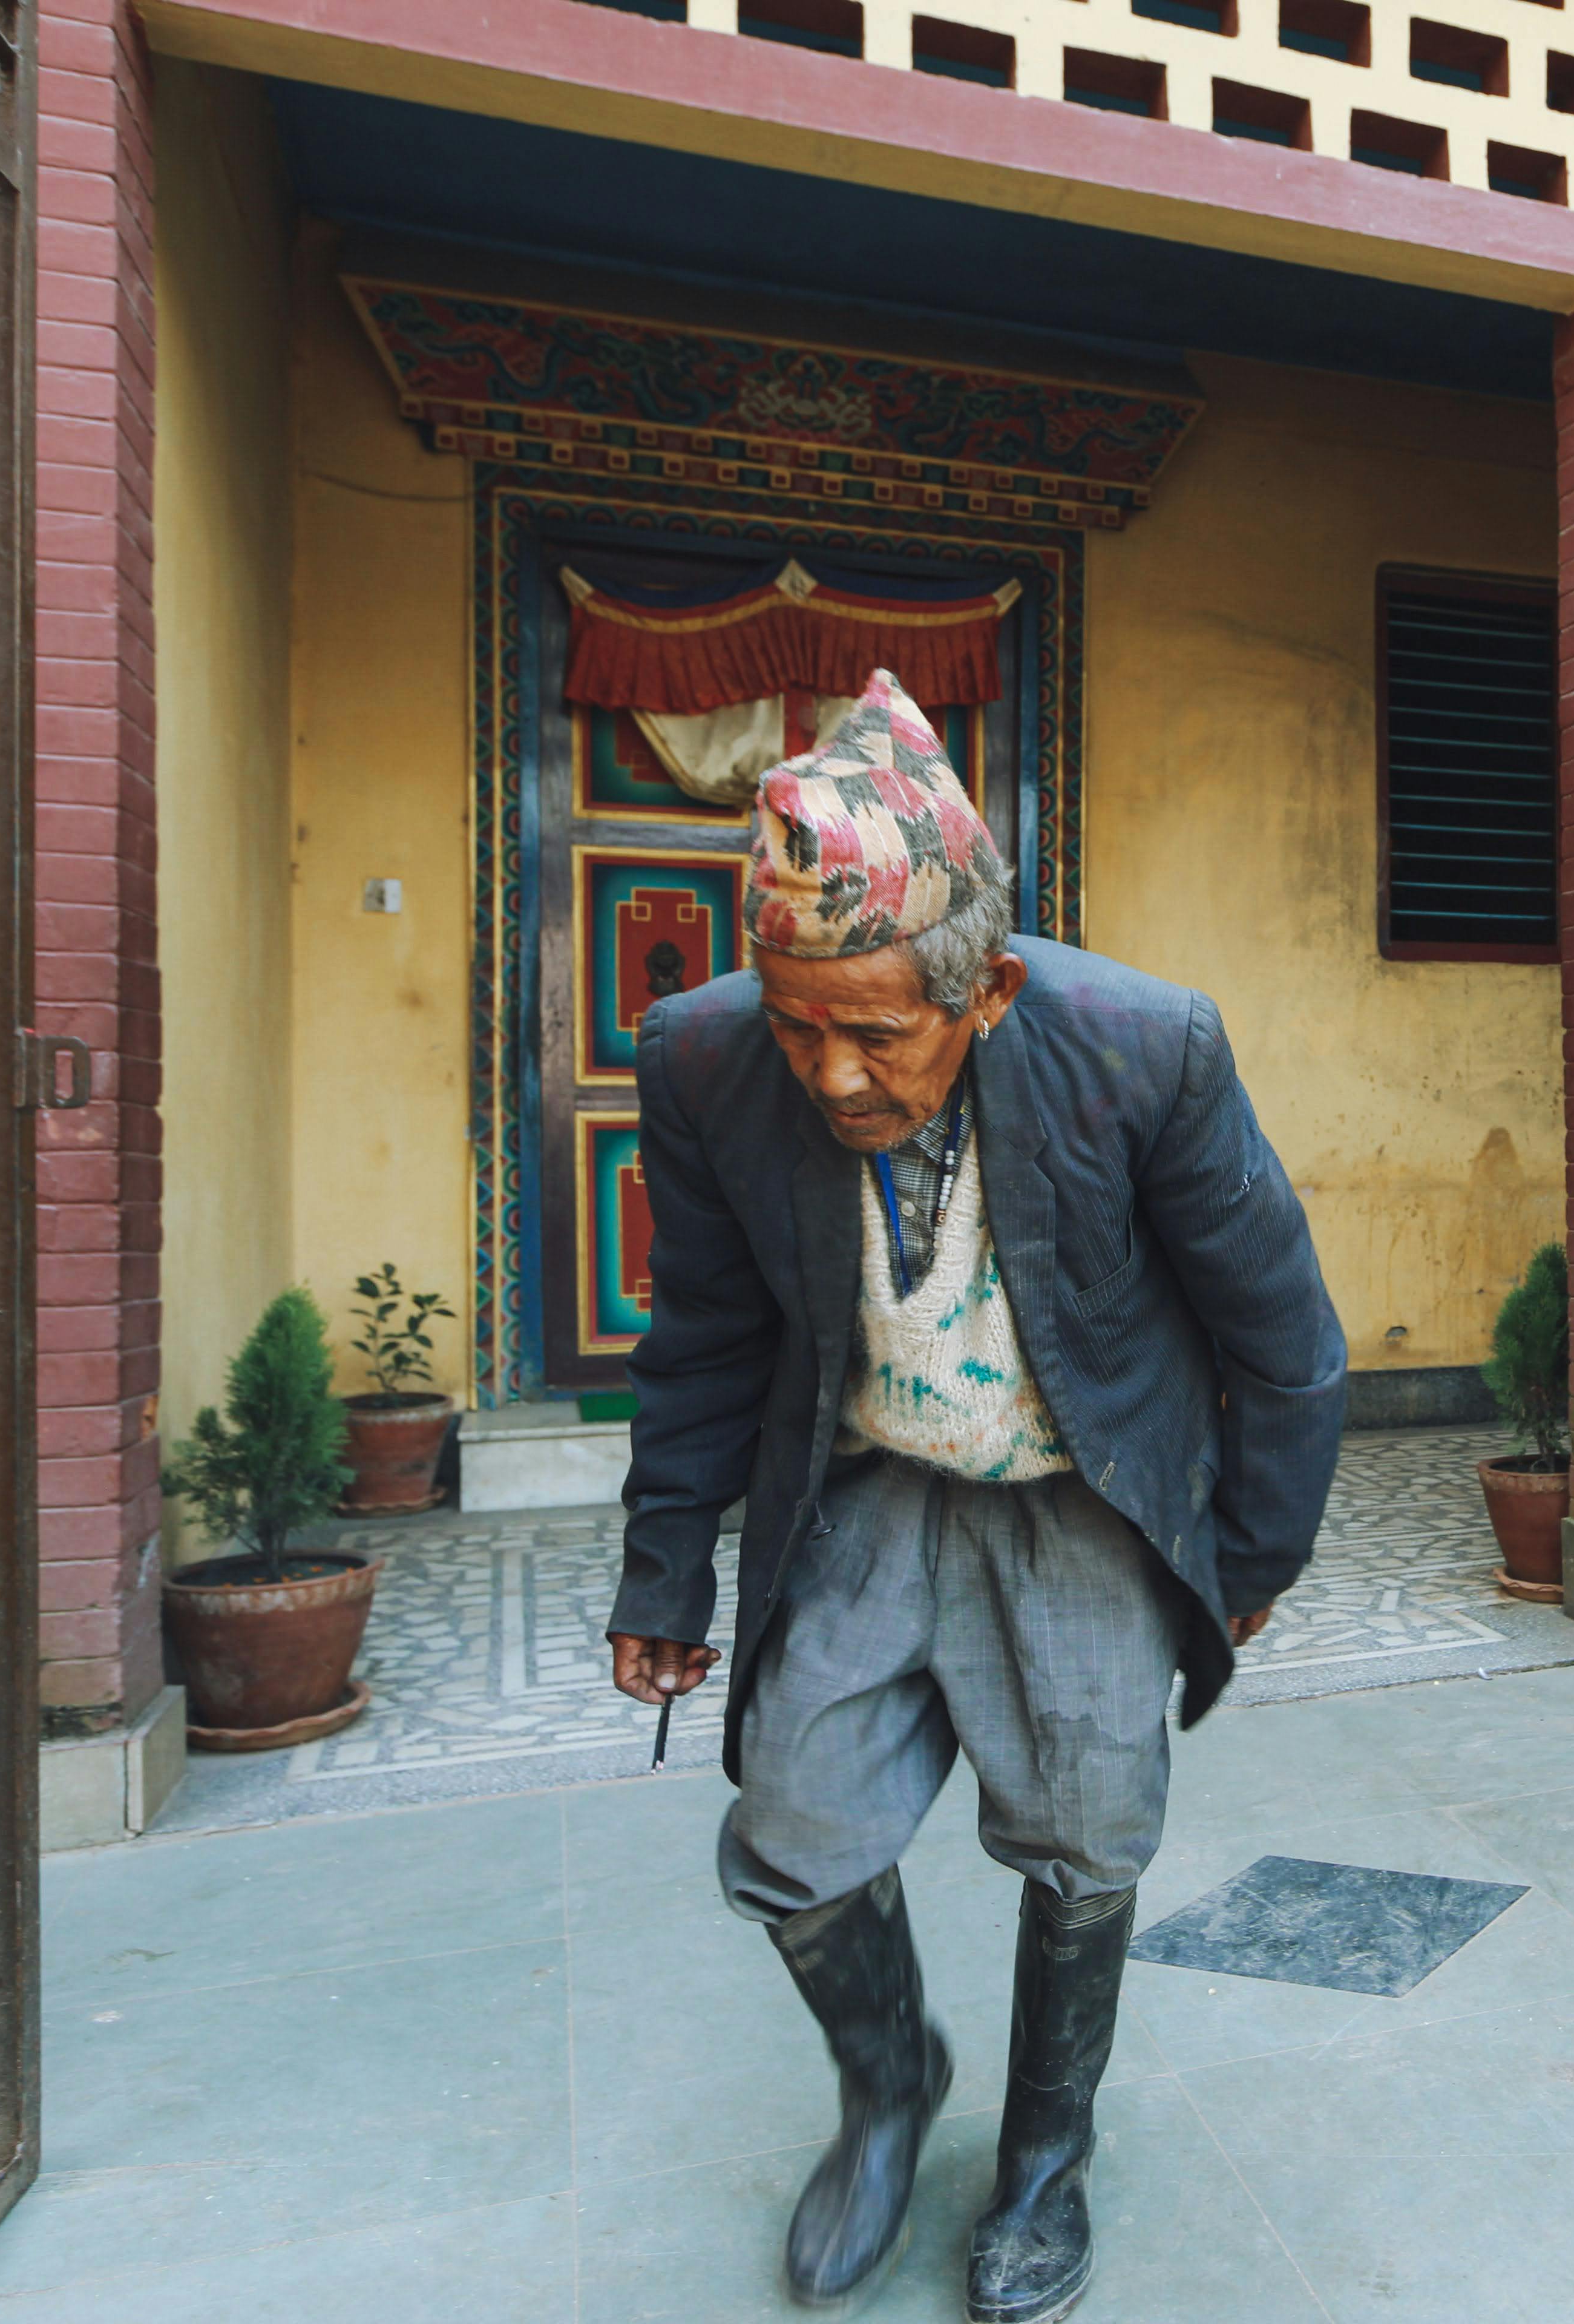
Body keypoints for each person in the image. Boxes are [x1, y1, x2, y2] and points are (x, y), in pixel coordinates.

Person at [602, 669, 1345, 2319]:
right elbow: (708, 1332)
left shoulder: (1145, 1050)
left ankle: (1042, 2168)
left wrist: (1248, 1555)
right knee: (791, 1828)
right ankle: (886, 2094)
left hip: (1075, 1487)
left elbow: (1282, 1335)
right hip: (869, 1478)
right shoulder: (706, 1059)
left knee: (1087, 1841)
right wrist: (667, 1571)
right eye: (801, 1023)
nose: (836, 1076)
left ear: (989, 989)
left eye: (879, 1030)